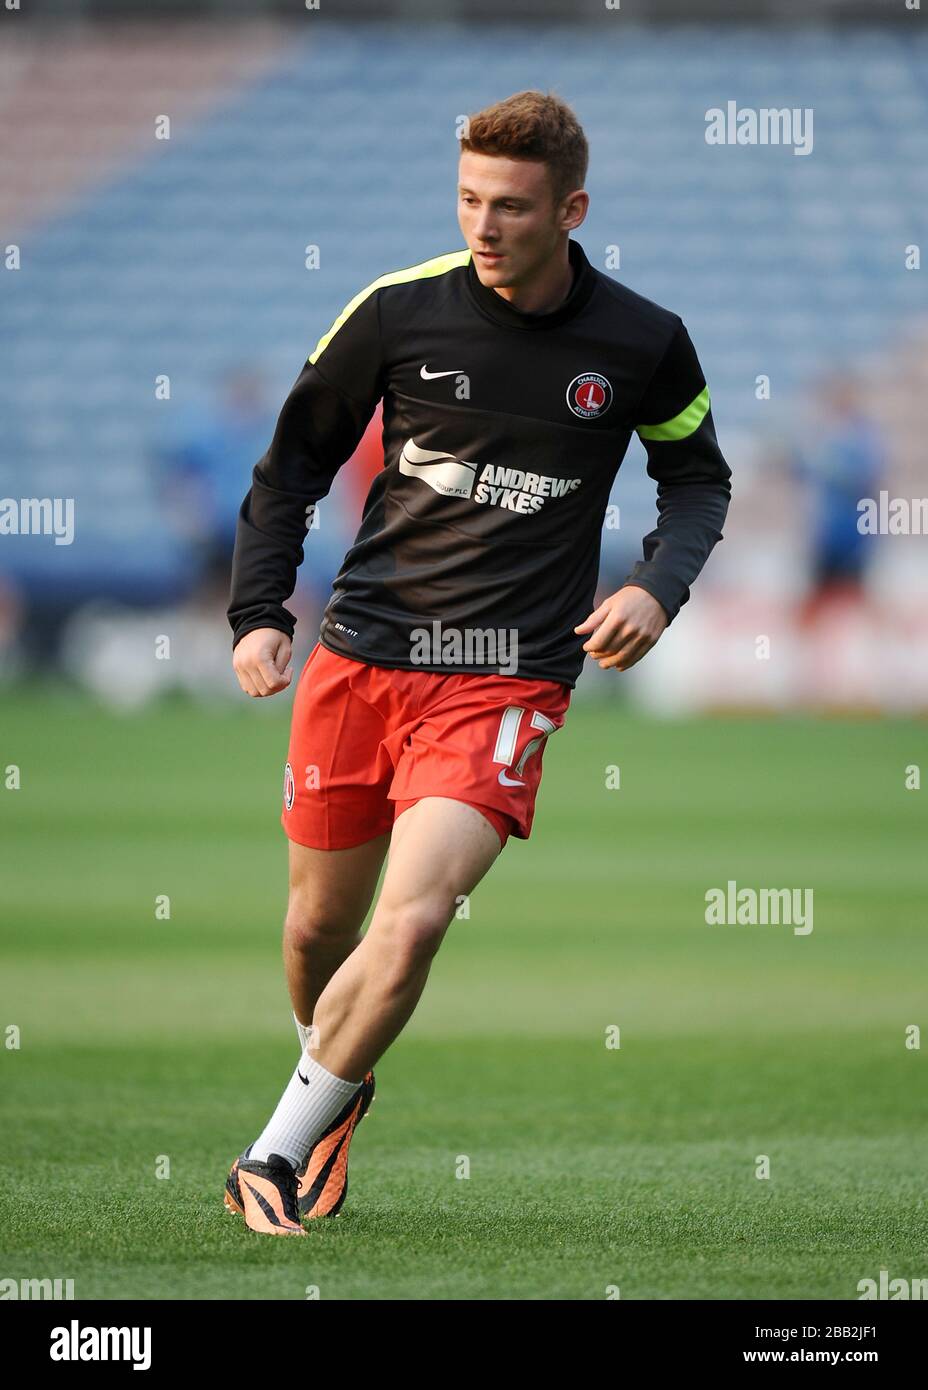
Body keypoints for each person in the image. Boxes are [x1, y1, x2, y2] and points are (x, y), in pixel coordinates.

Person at [223, 90, 732, 1235]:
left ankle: (272, 1152)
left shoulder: (643, 341)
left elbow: (698, 478)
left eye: (509, 206)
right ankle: (335, 1089)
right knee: (318, 931)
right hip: (362, 658)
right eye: (466, 200)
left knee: (412, 922)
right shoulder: (398, 312)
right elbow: (290, 465)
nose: (482, 226)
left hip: (508, 673)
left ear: (571, 208)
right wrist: (259, 610)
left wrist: (657, 584)